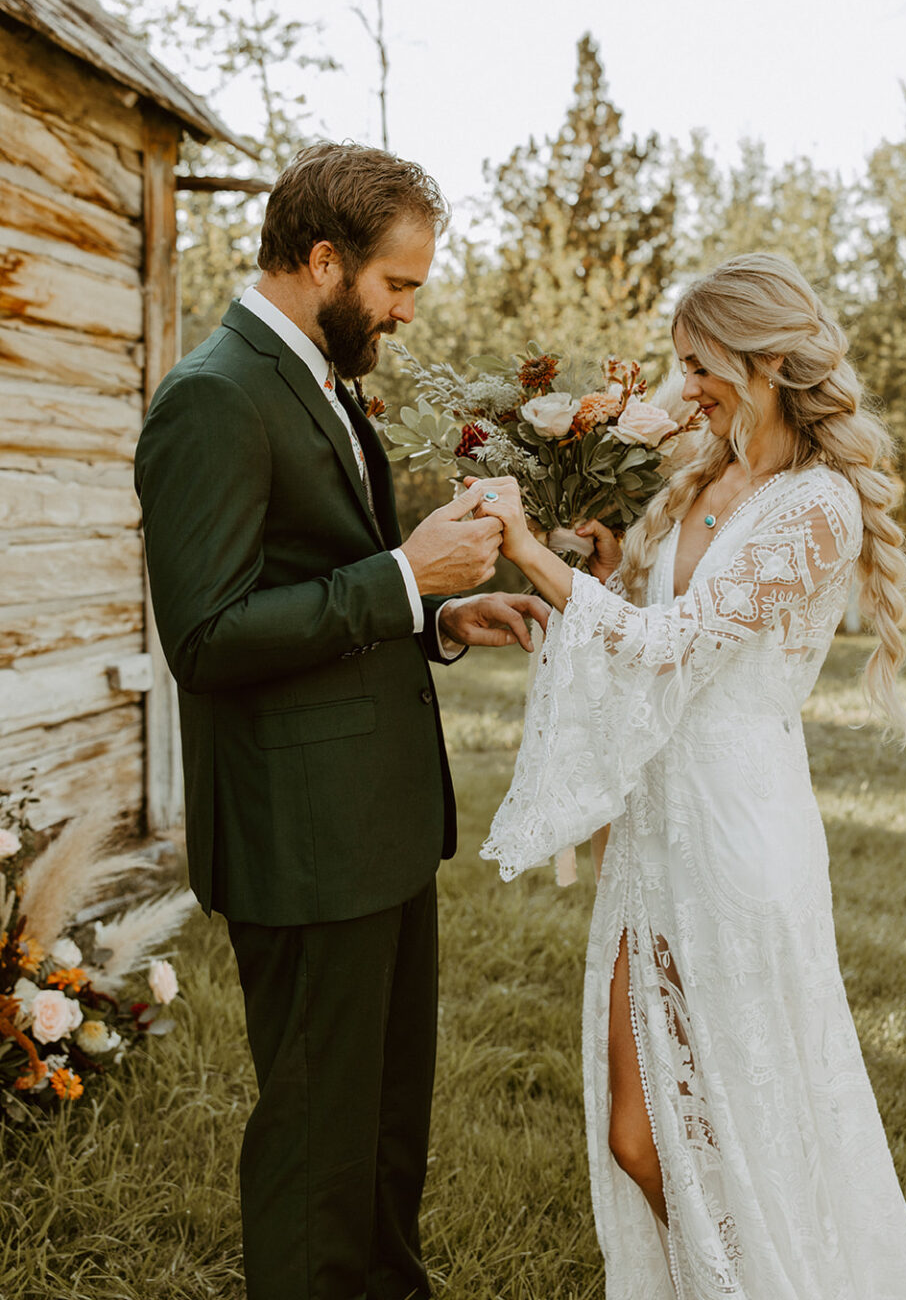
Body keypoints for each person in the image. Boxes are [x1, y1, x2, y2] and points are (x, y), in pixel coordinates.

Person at [476, 253, 906, 1300]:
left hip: (739, 827)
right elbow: (639, 623)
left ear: (765, 361)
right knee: (639, 1130)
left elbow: (677, 645)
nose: (683, 387)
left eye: (698, 364)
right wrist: (590, 563)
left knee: (743, 1118)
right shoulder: (707, 476)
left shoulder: (816, 507)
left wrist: (526, 552)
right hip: (660, 826)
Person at [134, 142, 547, 1300]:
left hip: (373, 830)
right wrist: (406, 578)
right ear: (325, 261)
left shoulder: (311, 376)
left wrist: (443, 616)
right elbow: (207, 637)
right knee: (319, 1149)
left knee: (381, 1128)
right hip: (301, 843)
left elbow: (318, 578)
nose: (407, 312)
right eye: (397, 285)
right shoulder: (214, 398)